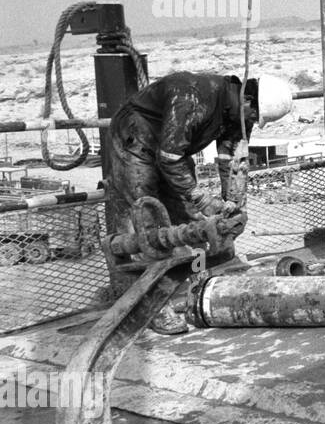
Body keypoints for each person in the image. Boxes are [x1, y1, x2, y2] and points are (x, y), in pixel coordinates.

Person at [106, 71, 293, 334]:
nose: (252, 122)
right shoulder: (192, 97)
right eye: (253, 117)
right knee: (145, 220)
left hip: (173, 151)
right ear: (248, 101)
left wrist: (235, 206)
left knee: (190, 218)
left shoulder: (238, 112)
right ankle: (150, 305)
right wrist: (203, 199)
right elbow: (170, 158)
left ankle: (199, 279)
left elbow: (233, 162)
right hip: (137, 140)